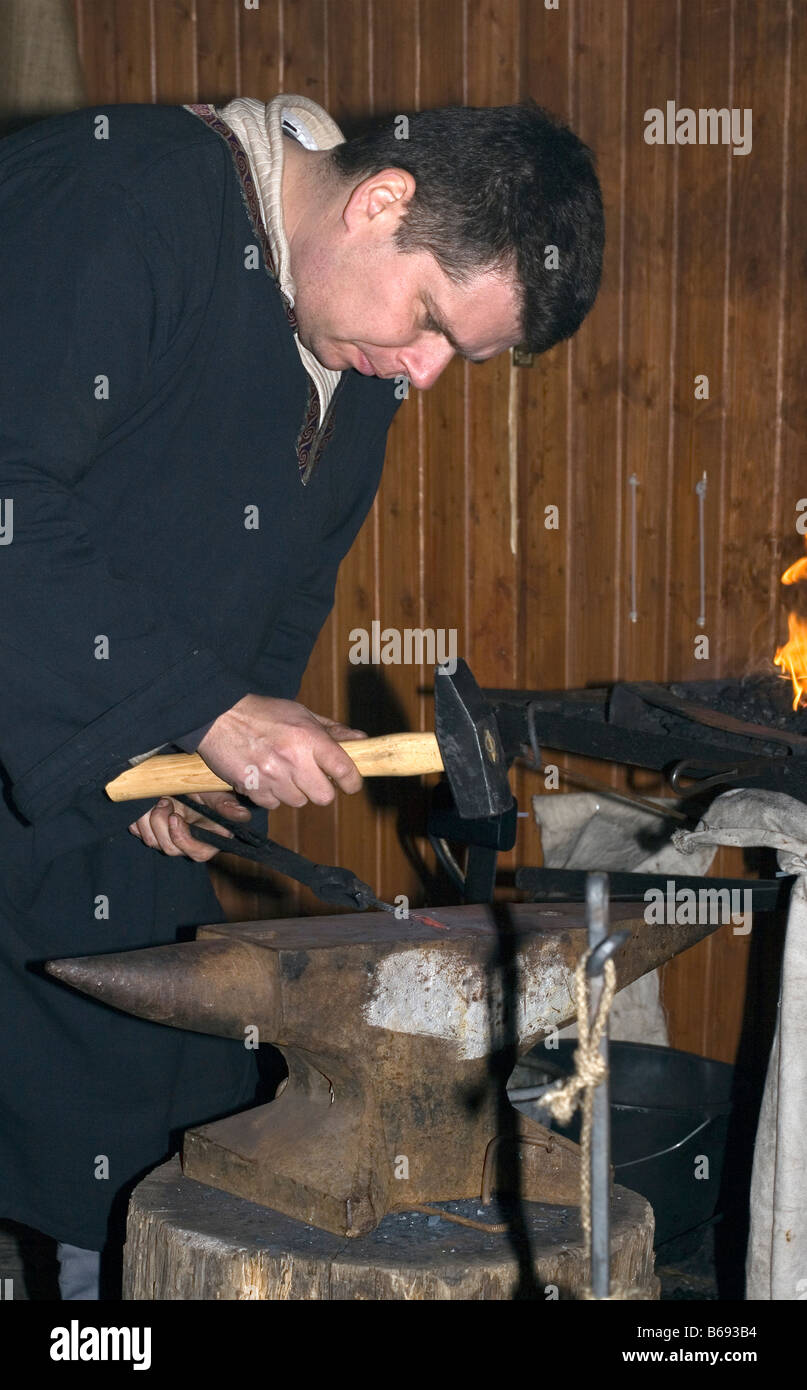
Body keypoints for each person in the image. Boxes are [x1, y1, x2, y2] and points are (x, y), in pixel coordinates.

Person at [0, 91, 604, 1298]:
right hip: (30, 758)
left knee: (170, 1126)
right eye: (431, 321)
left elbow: (283, 594)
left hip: (109, 779)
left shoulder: (356, 358)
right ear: (381, 201)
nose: (423, 374)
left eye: (457, 357)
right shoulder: (122, 201)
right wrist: (204, 708)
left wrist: (205, 759)